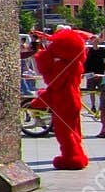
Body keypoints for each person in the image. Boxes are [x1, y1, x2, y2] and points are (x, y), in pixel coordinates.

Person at [33, 25, 91, 170]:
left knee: (64, 132)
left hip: (64, 102)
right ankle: (79, 154)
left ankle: (72, 157)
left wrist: (43, 60)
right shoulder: (76, 63)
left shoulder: (63, 65)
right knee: (74, 130)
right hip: (73, 99)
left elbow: (53, 82)